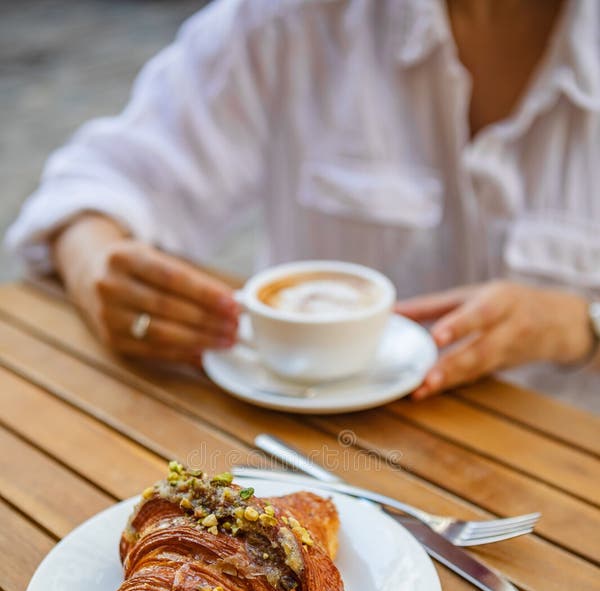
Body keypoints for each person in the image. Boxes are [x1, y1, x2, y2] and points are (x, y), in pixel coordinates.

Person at [6, 0, 600, 404]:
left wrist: (582, 325)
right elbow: (97, 180)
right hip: (314, 451)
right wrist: (97, 268)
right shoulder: (287, 19)